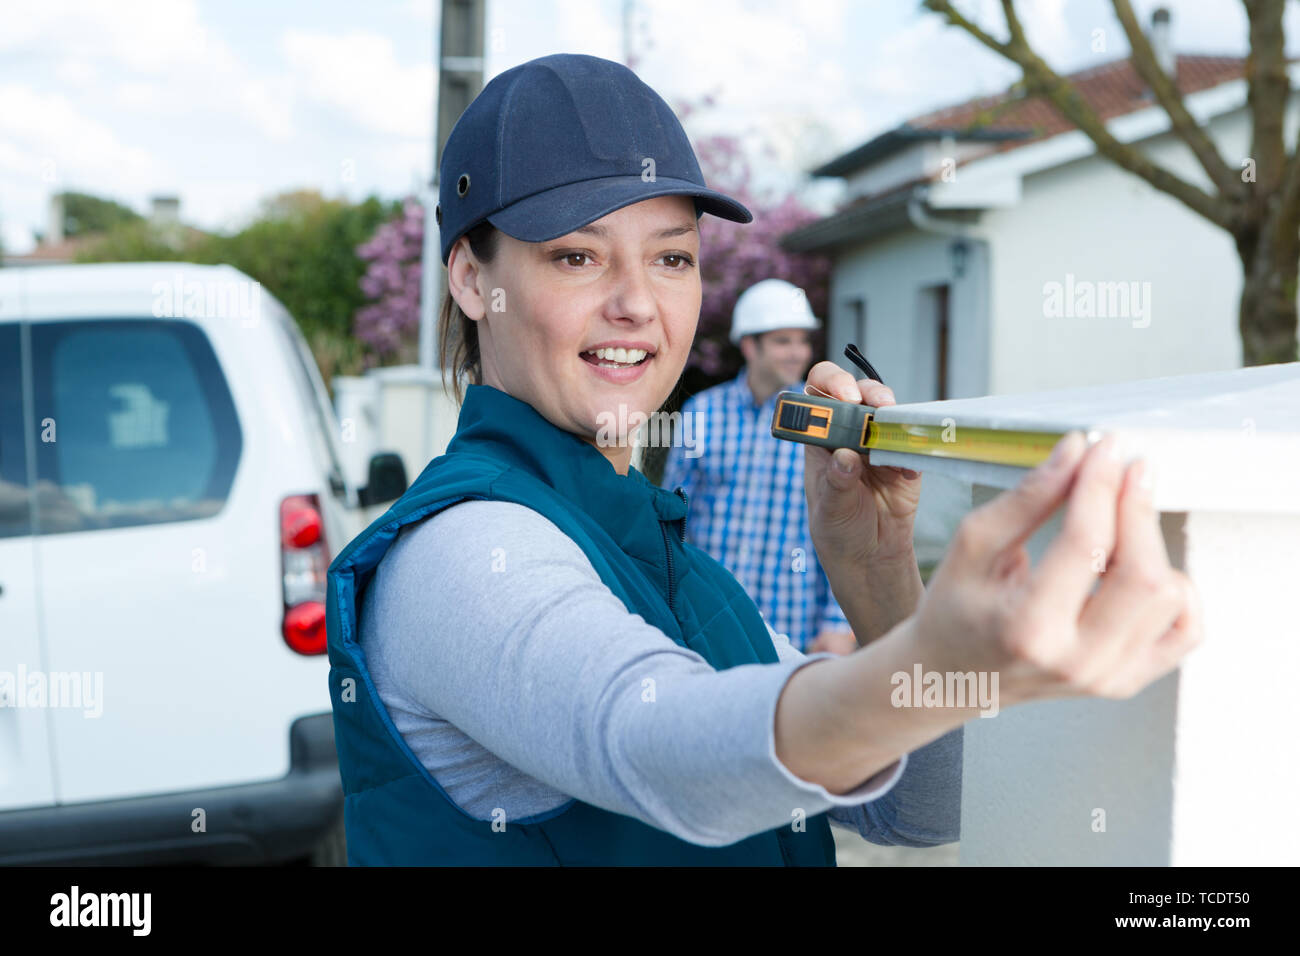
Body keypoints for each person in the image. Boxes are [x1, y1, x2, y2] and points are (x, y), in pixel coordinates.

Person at [325, 53, 1203, 866]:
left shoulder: (677, 568)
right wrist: (940, 654)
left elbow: (926, 809)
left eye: (671, 256)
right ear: (473, 281)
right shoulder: (462, 550)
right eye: (577, 255)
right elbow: (651, 743)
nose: (637, 303)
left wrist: (879, 575)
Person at [661, 278, 857, 656]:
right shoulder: (701, 413)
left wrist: (838, 624)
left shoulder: (824, 420)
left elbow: (842, 527)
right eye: (783, 341)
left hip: (794, 634)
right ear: (750, 346)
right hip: (707, 624)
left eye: (802, 340)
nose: (798, 352)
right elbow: (674, 519)